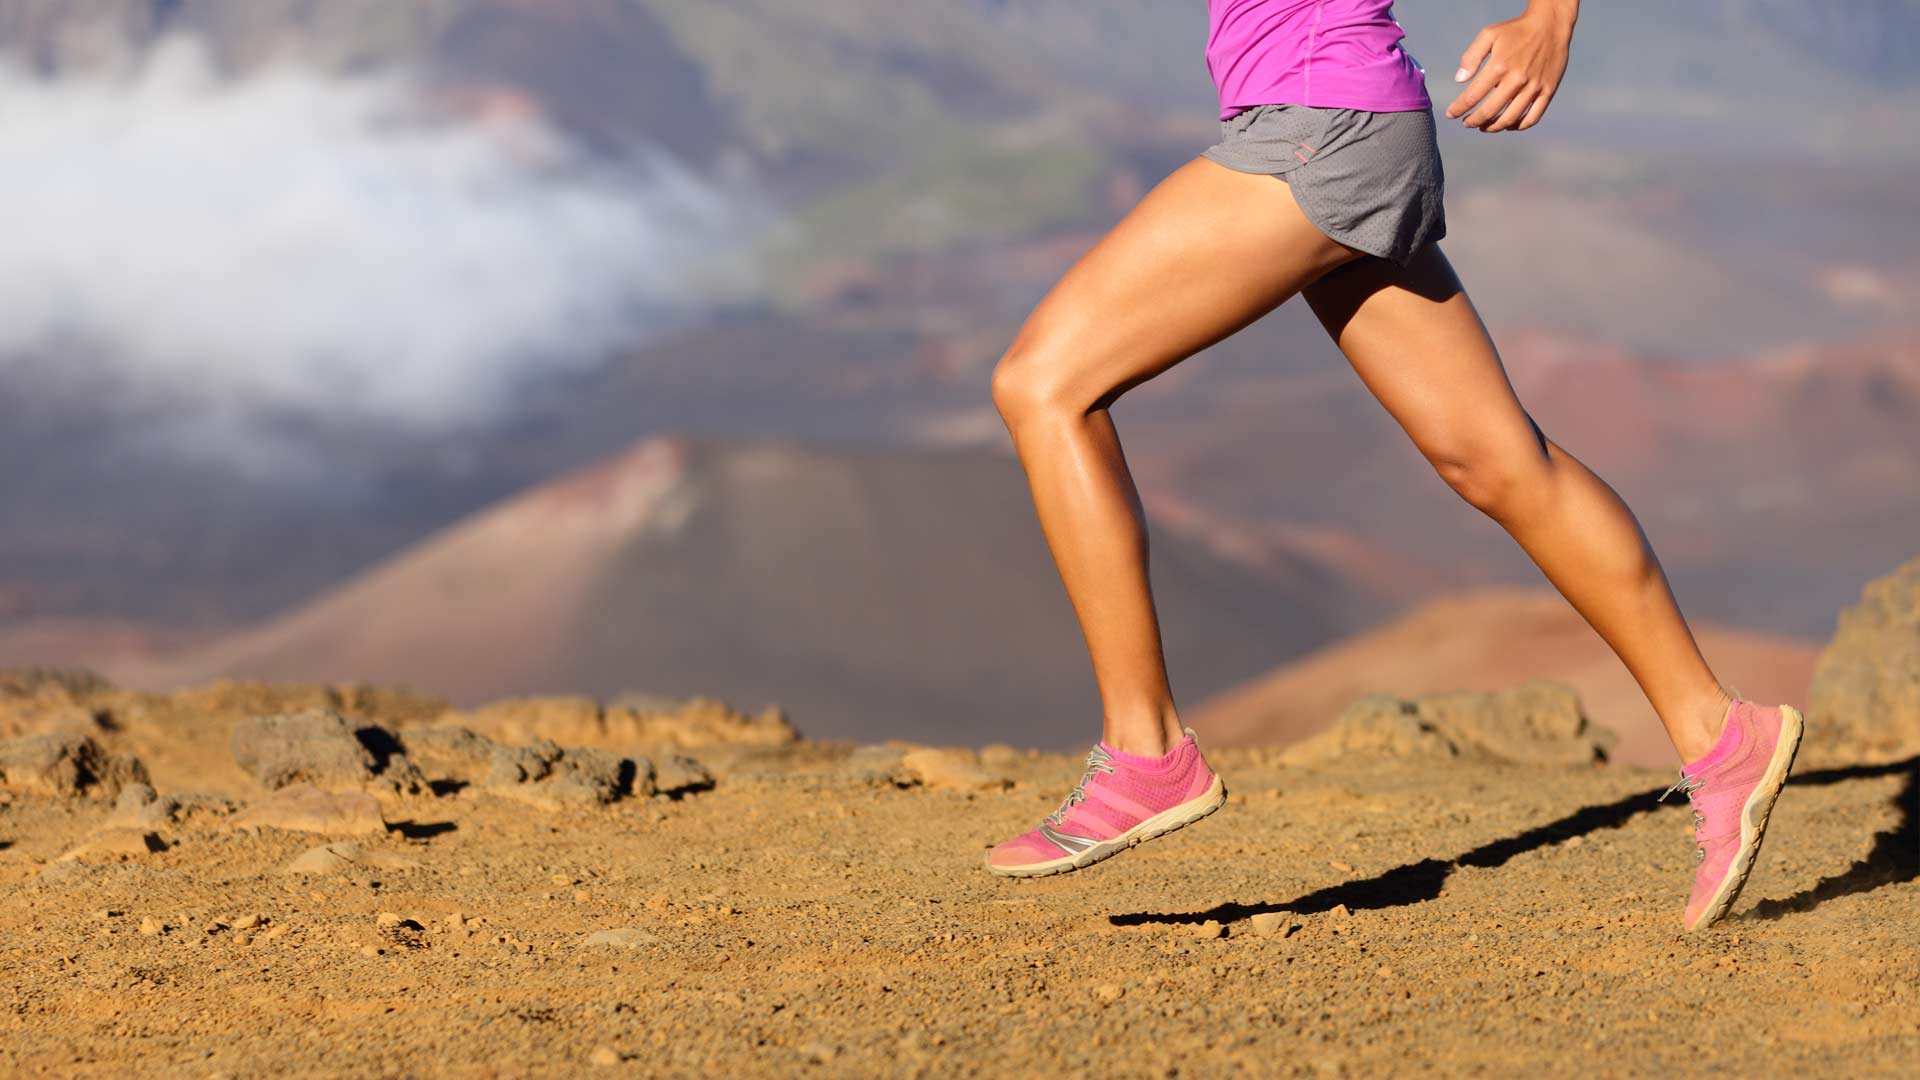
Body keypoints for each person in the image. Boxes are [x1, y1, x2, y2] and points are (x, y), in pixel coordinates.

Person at [981, 0, 1803, 933]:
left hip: (1318, 129)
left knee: (1044, 385)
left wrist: (1550, 20)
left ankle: (1146, 751)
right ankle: (1722, 737)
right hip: (1343, 123)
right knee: (1495, 462)